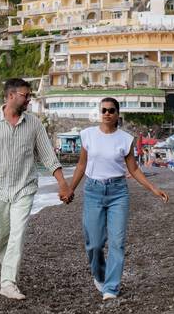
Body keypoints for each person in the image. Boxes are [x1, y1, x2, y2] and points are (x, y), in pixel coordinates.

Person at [0, 78, 72, 301]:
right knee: (3, 237)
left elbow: (47, 155)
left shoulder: (34, 124)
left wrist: (62, 182)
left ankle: (7, 282)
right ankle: (9, 273)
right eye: (25, 95)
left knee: (18, 234)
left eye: (29, 95)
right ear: (11, 96)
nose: (29, 99)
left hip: (24, 188)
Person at [65, 97, 168, 302]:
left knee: (117, 242)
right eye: (103, 110)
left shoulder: (125, 139)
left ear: (117, 114)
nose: (107, 113)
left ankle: (111, 287)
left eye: (111, 110)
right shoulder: (88, 136)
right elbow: (81, 166)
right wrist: (70, 190)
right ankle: (100, 276)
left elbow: (134, 169)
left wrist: (153, 189)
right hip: (93, 191)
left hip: (118, 193)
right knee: (94, 243)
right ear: (99, 112)